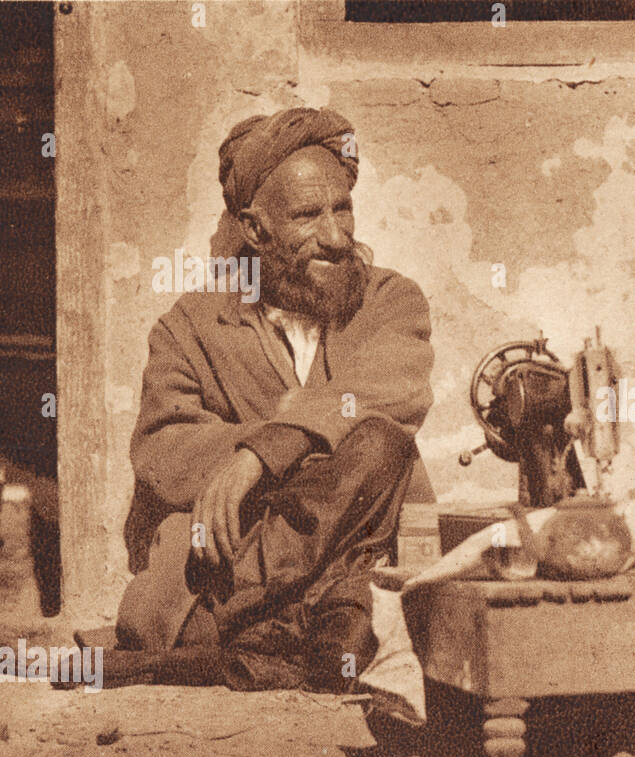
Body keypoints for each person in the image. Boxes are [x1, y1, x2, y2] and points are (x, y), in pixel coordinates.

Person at [85, 107, 434, 692]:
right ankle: (288, 631)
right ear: (255, 229)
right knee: (349, 607)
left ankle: (263, 639)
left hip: (355, 555)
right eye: (307, 215)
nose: (336, 235)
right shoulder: (189, 327)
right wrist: (299, 451)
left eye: (342, 207)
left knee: (379, 444)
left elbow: (391, 388)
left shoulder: (391, 300)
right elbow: (162, 451)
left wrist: (261, 454)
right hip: (228, 567)